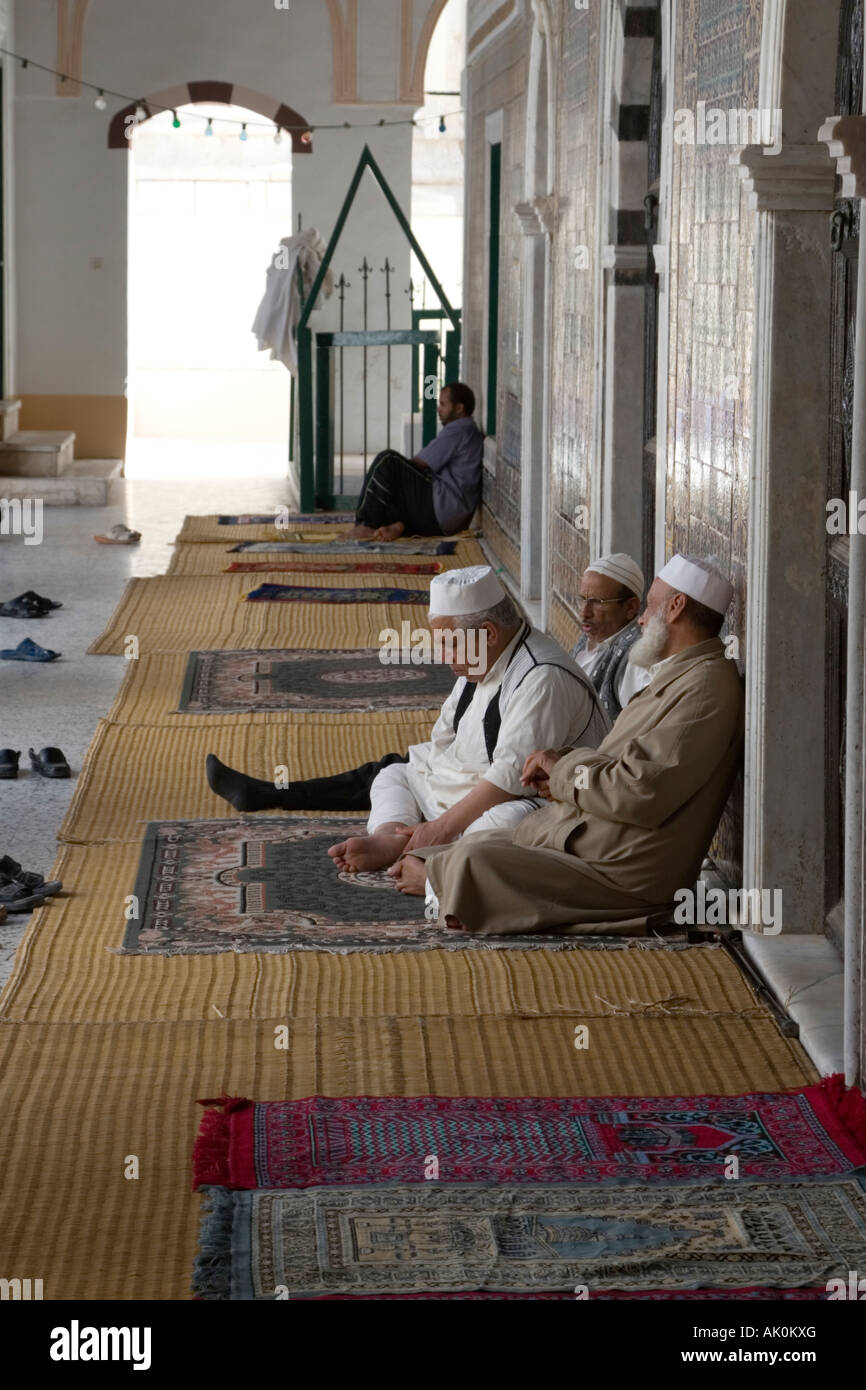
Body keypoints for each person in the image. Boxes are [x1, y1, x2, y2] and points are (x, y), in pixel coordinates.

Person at [390, 554, 745, 937]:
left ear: (676, 608)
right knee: (479, 843)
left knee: (474, 858)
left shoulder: (705, 688)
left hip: (622, 870)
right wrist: (560, 770)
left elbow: (642, 790)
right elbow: (621, 764)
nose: (641, 619)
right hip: (597, 838)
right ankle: (434, 871)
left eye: (650, 605)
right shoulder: (681, 678)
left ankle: (439, 884)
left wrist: (562, 771)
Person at [206, 566, 609, 900]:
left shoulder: (541, 677)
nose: (444, 657)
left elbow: (510, 779)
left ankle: (437, 872)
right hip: (468, 790)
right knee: (395, 774)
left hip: (529, 804)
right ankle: (390, 840)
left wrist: (439, 826)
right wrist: (432, 794)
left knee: (504, 822)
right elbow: (442, 742)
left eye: (450, 645)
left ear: (486, 633)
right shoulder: (485, 660)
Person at [345, 382, 483, 541]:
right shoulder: (468, 430)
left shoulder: (459, 429)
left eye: (443, 405)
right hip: (447, 520)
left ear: (459, 408)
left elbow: (419, 463)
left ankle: (365, 526)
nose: (439, 409)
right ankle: (400, 526)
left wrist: (397, 476)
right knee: (388, 493)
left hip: (442, 509)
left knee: (388, 461)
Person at [570, 553, 651, 719]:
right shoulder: (590, 638)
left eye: (597, 602)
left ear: (630, 607)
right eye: (582, 599)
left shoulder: (636, 660)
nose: (584, 613)